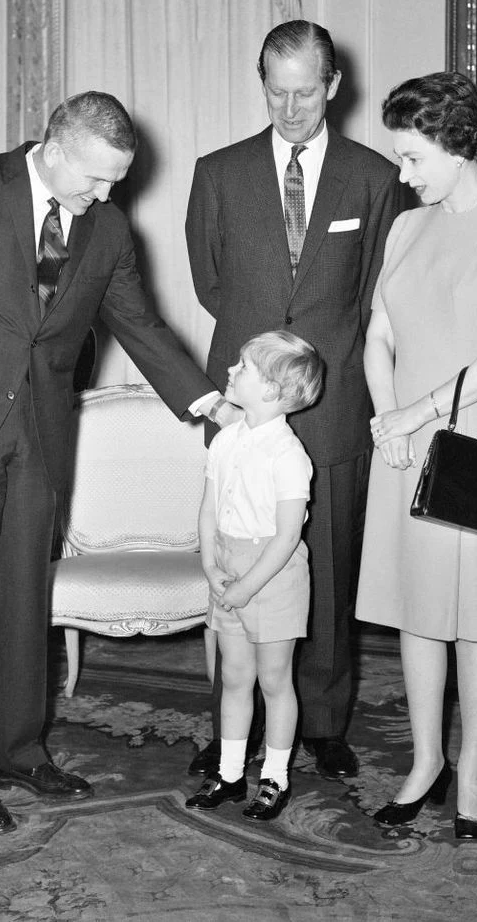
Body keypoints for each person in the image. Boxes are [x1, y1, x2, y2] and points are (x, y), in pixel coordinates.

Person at [0, 91, 237, 836]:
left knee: (22, 601)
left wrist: (209, 402)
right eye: (95, 178)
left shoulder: (107, 228)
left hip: (41, 432)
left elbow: (137, 321)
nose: (103, 195)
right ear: (56, 146)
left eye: (116, 182)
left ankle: (17, 750)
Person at [186, 19, 402, 781]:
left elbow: (375, 294)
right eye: (276, 92)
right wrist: (258, 371)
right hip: (243, 408)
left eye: (305, 93)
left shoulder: (375, 178)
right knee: (233, 560)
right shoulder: (218, 173)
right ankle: (233, 726)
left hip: (333, 404)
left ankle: (323, 722)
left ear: (333, 86)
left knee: (327, 570)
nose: (290, 109)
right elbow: (211, 283)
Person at [355, 71, 477, 840]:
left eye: (413, 158)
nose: (403, 175)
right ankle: (425, 760)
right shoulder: (407, 229)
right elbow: (379, 334)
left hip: (474, 442)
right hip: (404, 442)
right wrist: (388, 421)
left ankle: (472, 766)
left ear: (458, 146)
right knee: (417, 609)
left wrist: (413, 415)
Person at [185, 331, 324, 821]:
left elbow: (287, 536)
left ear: (271, 390)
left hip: (273, 574)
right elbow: (208, 509)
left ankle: (275, 777)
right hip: (227, 564)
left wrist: (247, 586)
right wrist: (210, 566)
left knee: (274, 679)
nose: (230, 370)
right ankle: (228, 773)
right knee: (235, 676)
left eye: (243, 366)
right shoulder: (226, 439)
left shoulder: (288, 454)